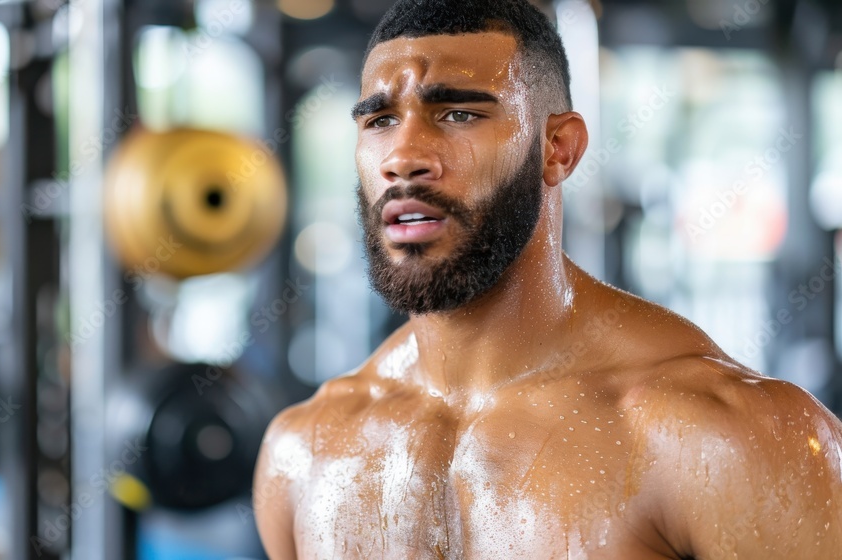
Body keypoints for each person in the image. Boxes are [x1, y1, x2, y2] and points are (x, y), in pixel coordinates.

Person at [253, 0, 842, 558]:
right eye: (379, 120)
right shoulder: (304, 453)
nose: (403, 156)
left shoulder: (728, 436)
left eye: (459, 113)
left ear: (558, 148)